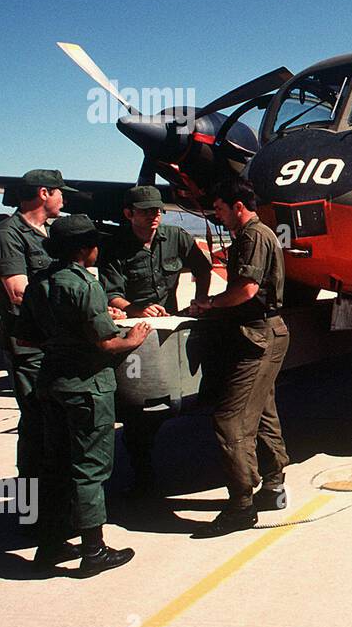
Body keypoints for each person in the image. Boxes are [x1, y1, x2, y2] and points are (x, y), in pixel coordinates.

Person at [18, 214, 151, 575]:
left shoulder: (38, 283)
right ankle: (93, 551)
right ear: (83, 249)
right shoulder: (85, 286)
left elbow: (28, 335)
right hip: (86, 388)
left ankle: (50, 544)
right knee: (89, 469)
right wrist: (132, 339)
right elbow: (106, 342)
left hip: (50, 383)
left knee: (55, 465)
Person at [187, 177, 289, 537]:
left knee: (229, 419)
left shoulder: (251, 236)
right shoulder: (259, 233)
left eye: (219, 209)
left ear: (238, 207)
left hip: (257, 335)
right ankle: (274, 485)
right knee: (262, 411)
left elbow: (246, 289)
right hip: (264, 331)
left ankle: (241, 505)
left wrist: (209, 304)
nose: (217, 216)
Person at [99, 185, 213, 495]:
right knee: (139, 411)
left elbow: (203, 267)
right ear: (129, 214)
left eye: (158, 211)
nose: (155, 216)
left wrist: (201, 297)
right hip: (137, 333)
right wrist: (135, 308)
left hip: (172, 327)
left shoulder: (175, 236)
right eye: (147, 211)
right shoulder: (116, 246)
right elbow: (111, 293)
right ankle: (142, 473)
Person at [0, 169, 74, 479]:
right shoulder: (7, 233)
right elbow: (18, 291)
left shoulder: (51, 232)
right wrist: (74, 308)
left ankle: (56, 495)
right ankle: (35, 505)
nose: (63, 197)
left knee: (59, 421)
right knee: (37, 421)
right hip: (29, 345)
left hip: (56, 342)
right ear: (43, 194)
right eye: (59, 192)